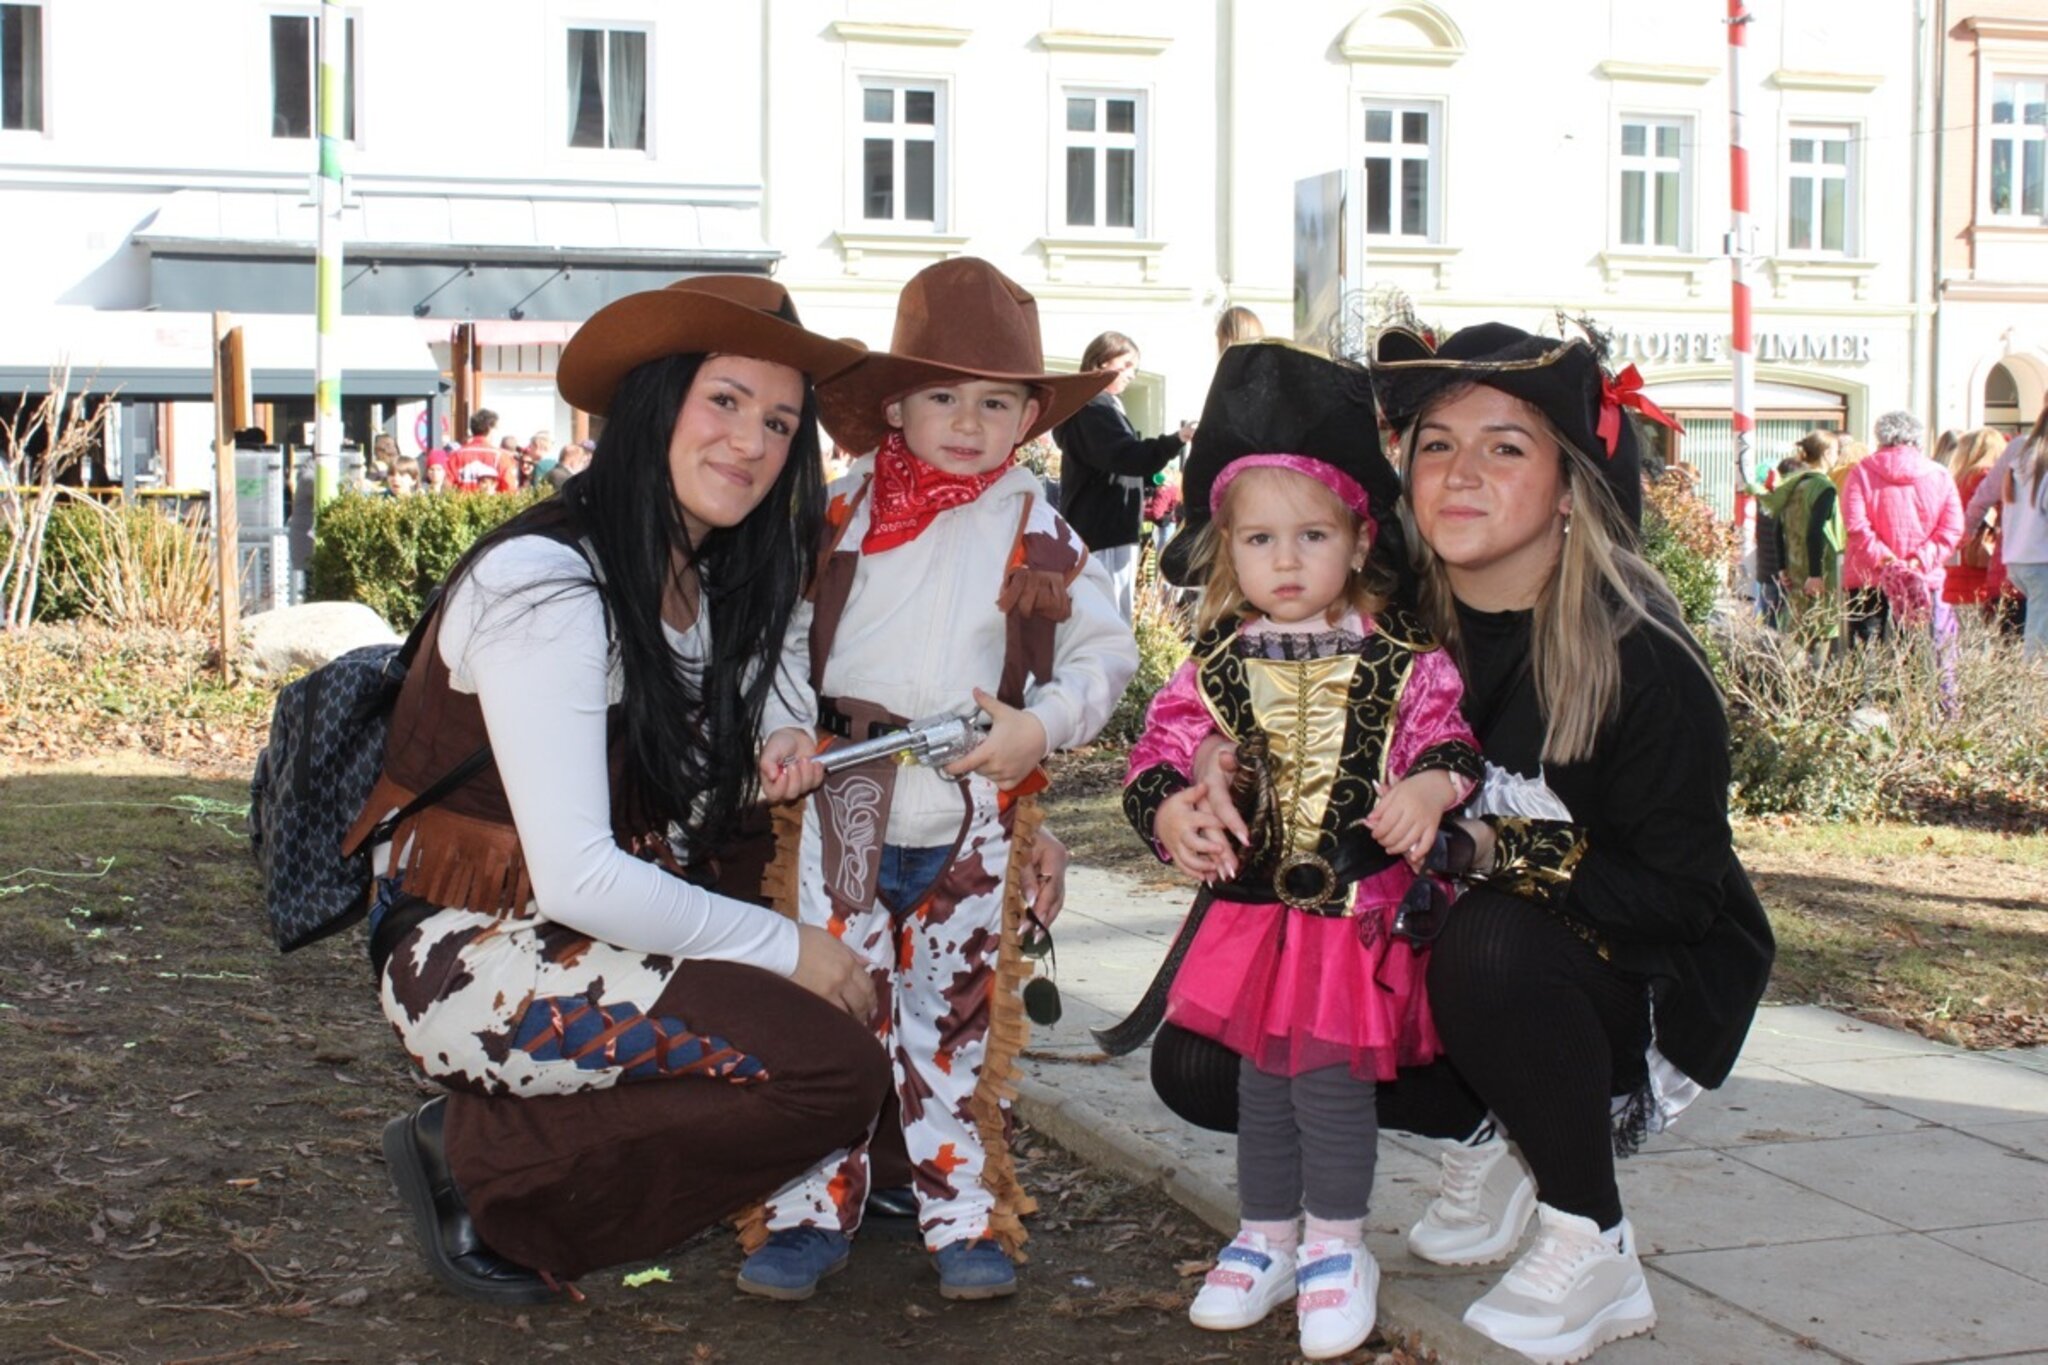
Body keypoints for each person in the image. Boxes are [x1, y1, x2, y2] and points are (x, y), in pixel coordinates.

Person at [1166, 323, 1773, 1364]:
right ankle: (1488, 1129)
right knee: (1200, 1056)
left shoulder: (1639, 661)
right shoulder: (1381, 635)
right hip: (1427, 954)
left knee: (1486, 943)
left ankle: (1592, 1237)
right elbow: (1257, 740)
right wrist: (1206, 781)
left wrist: (1480, 850)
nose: (1459, 474)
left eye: (1504, 447)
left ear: (1571, 482)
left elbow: (1674, 900)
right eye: (1435, 444)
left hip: (1630, 974)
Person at [352, 276, 893, 1306]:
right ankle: (481, 1164)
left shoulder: (696, 566)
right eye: (724, 401)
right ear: (656, 405)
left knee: (821, 978)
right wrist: (792, 951)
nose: (751, 440)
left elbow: (777, 633)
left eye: (779, 421)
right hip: (464, 950)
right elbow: (578, 879)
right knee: (829, 1071)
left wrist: (783, 724)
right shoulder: (549, 589)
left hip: (593, 914)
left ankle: (874, 1179)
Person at [740, 258, 1137, 1302]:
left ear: (1026, 418)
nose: (967, 421)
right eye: (944, 395)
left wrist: (1040, 725)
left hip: (970, 806)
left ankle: (958, 1215)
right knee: (832, 1013)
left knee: (952, 1019)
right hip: (845, 801)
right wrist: (783, 727)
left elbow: (1106, 656)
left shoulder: (1036, 525)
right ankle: (806, 1212)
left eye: (995, 400)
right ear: (895, 405)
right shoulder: (840, 517)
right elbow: (782, 643)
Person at [1122, 342, 1481, 1360]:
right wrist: (1175, 805)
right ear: (1225, 551)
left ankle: (1334, 1245)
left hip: (1354, 921)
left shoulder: (1403, 661)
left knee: (1323, 1079)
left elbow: (1449, 741)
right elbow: (1153, 753)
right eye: (1260, 539)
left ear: (1357, 541)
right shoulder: (1214, 670)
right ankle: (1262, 1233)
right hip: (1252, 919)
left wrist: (1425, 786)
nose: (1284, 561)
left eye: (1309, 535)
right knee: (1256, 1084)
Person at [1055, 331, 1197, 620]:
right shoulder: (1094, 407)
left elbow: (1118, 462)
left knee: (1107, 619)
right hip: (1103, 532)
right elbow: (1126, 456)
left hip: (1104, 530)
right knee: (1108, 622)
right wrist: (1177, 439)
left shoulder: (1098, 406)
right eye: (1127, 364)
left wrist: (1149, 478)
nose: (1132, 374)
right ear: (1101, 362)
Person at [1841, 412, 1964, 705]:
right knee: (1917, 653)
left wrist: (1885, 560)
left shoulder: (1861, 472)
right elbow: (1952, 527)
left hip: (1867, 577)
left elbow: (1856, 524)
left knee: (1864, 652)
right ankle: (1913, 714)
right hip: (1920, 580)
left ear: (1880, 438)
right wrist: (1918, 562)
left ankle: (1864, 716)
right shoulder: (1939, 474)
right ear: (1917, 438)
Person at [1755, 433, 1844, 663]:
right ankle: (1812, 692)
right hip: (1819, 574)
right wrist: (1815, 574)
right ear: (1826, 454)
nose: (1838, 456)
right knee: (1820, 636)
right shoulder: (1823, 486)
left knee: (1795, 636)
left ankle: (1789, 689)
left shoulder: (1792, 484)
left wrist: (1782, 567)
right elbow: (1816, 531)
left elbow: (1778, 527)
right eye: (1836, 451)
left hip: (1794, 571)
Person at [1989, 403, 2048, 658]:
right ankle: (2033, 695)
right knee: (2039, 641)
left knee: (2036, 635)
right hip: (2041, 558)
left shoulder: (2022, 461)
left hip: (2018, 558)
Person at [1942, 427, 2009, 623]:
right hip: (1983, 566)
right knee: (1986, 636)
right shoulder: (1987, 480)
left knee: (1965, 637)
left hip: (1958, 562)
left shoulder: (1957, 479)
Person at [448, 409, 518, 492]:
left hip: (460, 503)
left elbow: (447, 486)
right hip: (491, 504)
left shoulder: (456, 455)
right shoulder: (501, 456)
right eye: (496, 428)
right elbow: (509, 489)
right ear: (490, 429)